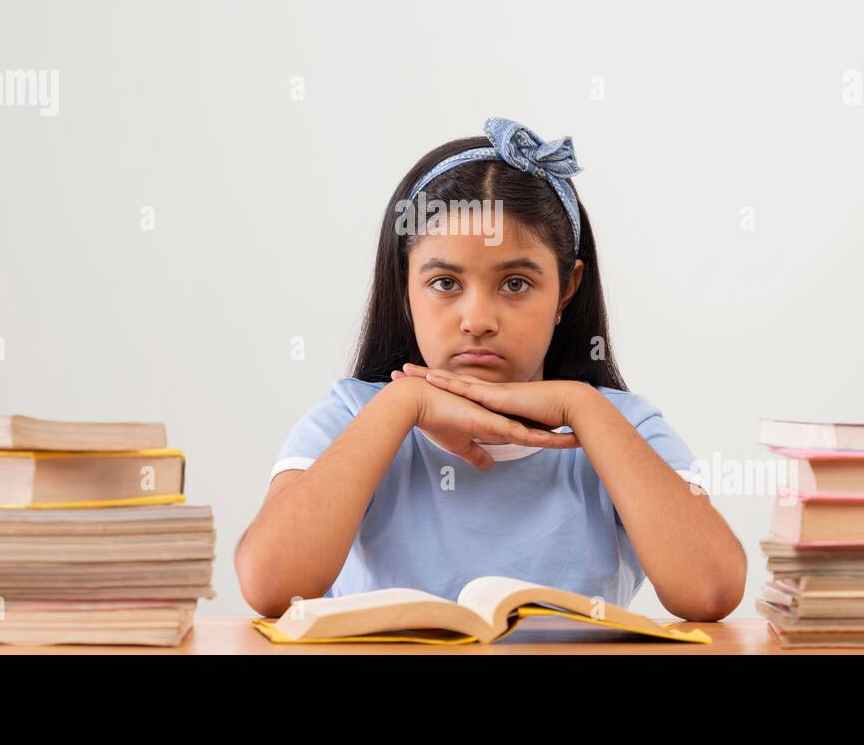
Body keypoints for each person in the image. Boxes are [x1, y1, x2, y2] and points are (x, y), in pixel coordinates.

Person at [235, 118, 746, 621]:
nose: (478, 321)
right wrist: (403, 403)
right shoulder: (350, 416)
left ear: (567, 287)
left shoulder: (623, 427)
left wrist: (581, 406)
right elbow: (271, 585)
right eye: (445, 284)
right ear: (405, 284)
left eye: (516, 284)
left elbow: (710, 591)